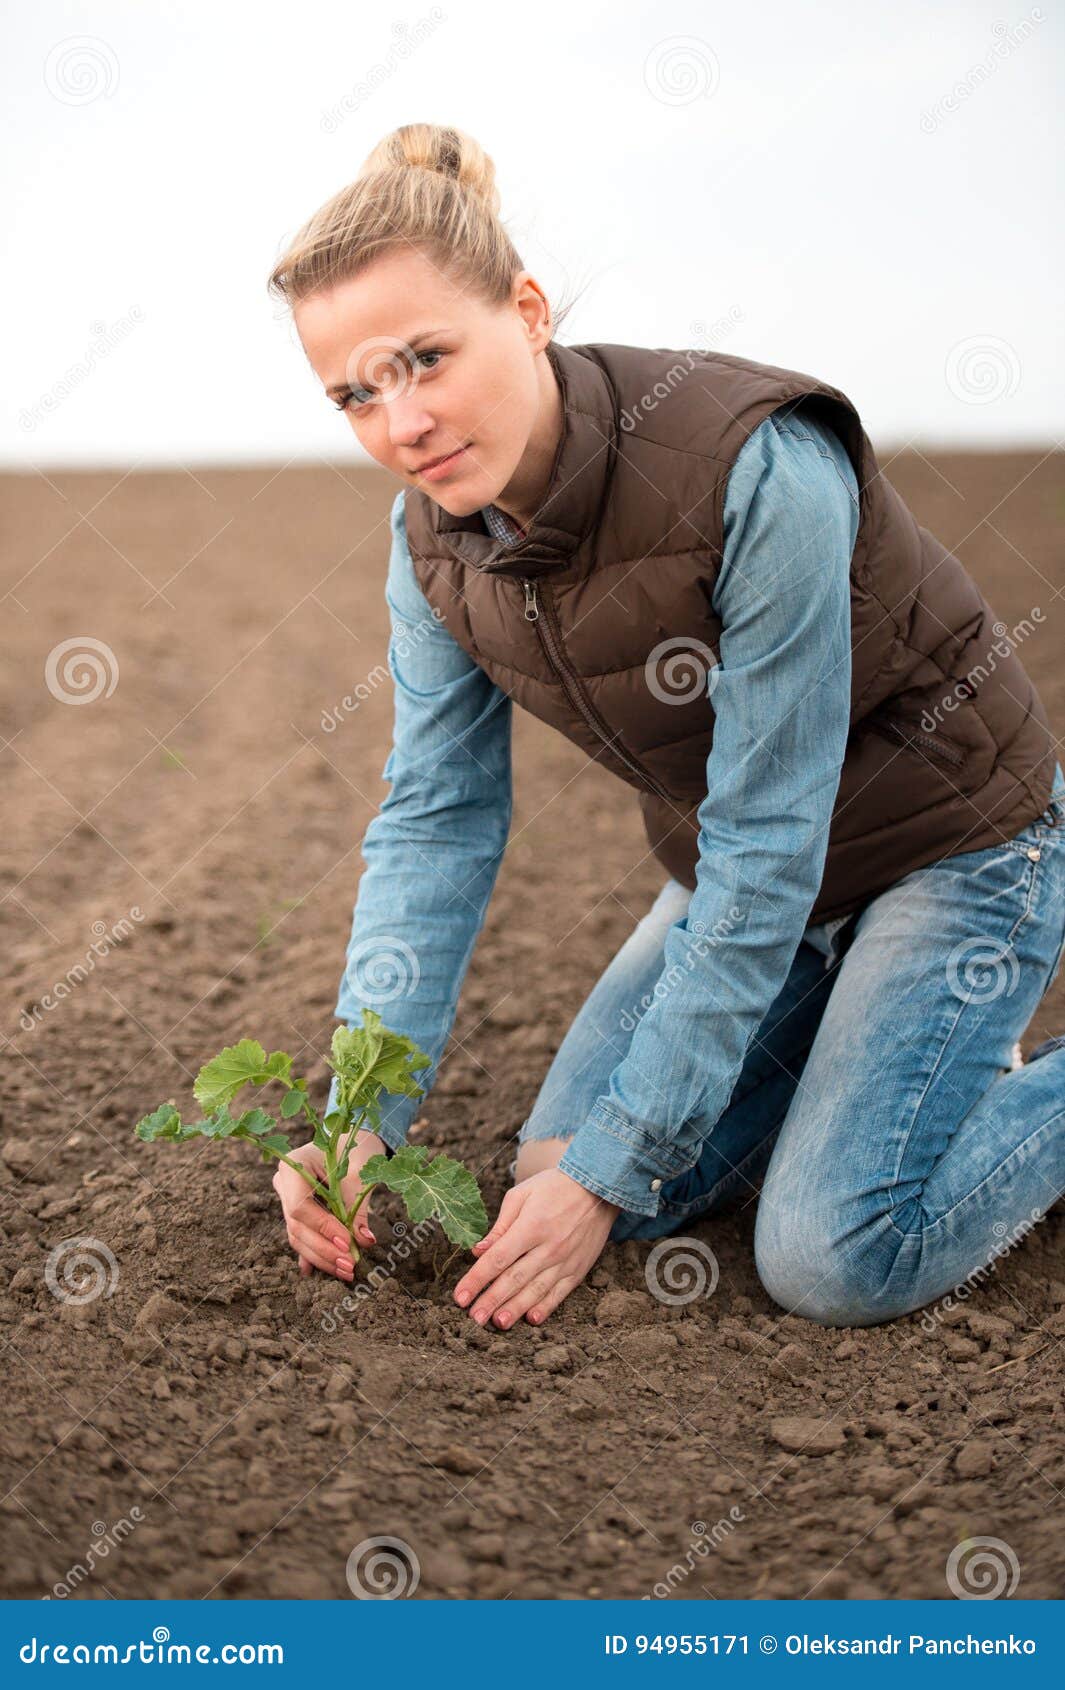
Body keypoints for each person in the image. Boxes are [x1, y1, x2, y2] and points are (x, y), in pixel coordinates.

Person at [267, 123, 1065, 1330]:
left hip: (954, 848)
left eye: (426, 358)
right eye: (356, 394)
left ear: (528, 309)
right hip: (754, 884)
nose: (403, 422)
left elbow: (767, 840)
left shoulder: (755, 468)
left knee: (836, 1253)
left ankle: (924, 1059)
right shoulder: (429, 544)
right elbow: (435, 821)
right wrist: (357, 1119)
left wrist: (615, 1161)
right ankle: (892, 1061)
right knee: (560, 1177)